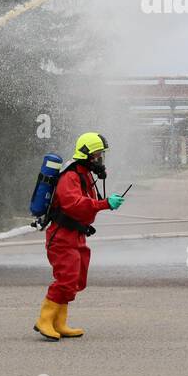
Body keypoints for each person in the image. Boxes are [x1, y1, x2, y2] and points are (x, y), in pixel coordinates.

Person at [34, 132, 125, 340]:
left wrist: (105, 204)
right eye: (97, 155)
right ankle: (44, 321)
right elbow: (73, 204)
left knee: (76, 279)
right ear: (86, 155)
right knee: (66, 278)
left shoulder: (85, 174)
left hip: (77, 235)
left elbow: (85, 205)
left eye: (101, 155)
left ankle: (60, 322)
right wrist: (104, 204)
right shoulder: (70, 176)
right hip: (62, 236)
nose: (100, 159)